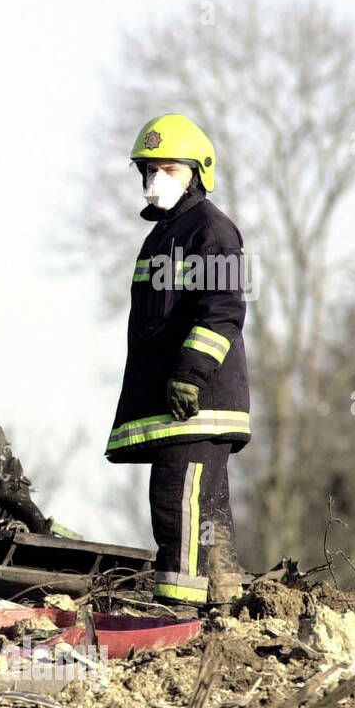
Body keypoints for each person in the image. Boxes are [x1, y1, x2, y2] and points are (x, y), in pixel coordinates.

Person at [106, 114, 250, 609]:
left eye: (167, 168)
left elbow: (224, 310)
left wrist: (190, 374)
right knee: (204, 513)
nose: (154, 181)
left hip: (195, 403)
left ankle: (177, 612)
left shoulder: (211, 230)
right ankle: (220, 606)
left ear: (196, 171)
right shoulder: (163, 236)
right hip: (173, 407)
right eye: (147, 170)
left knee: (178, 509)